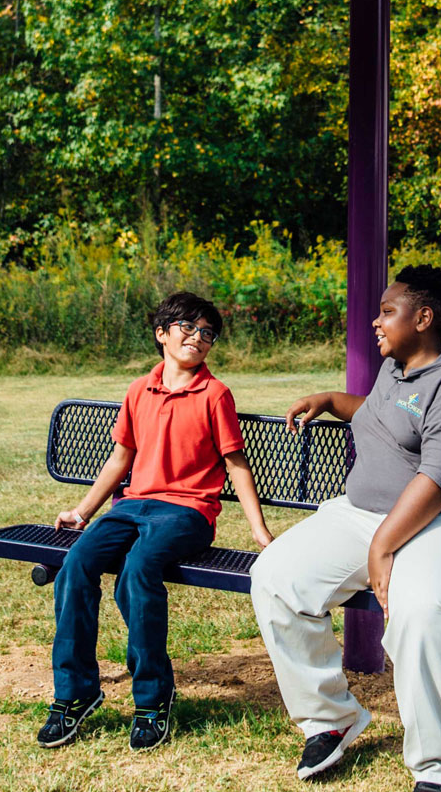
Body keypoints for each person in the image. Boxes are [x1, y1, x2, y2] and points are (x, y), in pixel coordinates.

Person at [251, 264, 441, 792]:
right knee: (276, 576)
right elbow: (380, 418)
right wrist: (331, 399)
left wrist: (383, 546)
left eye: (388, 311)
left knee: (422, 612)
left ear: (424, 318)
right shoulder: (396, 372)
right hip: (366, 517)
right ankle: (330, 719)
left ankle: (440, 771)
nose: (376, 321)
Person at [39, 291, 272, 752]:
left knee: (139, 571)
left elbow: (237, 465)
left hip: (188, 513)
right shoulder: (138, 391)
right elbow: (120, 457)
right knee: (77, 566)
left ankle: (152, 698)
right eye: (188, 327)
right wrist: (83, 511)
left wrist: (259, 531)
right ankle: (75, 693)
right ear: (161, 334)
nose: (199, 338)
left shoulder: (215, 394)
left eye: (208, 333)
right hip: (130, 506)